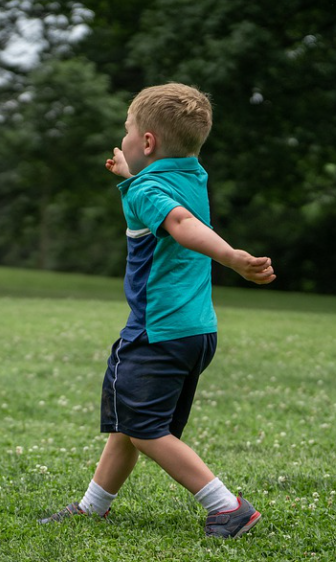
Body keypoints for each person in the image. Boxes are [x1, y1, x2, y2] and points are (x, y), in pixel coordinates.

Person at [39, 83, 276, 538]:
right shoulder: (193, 175)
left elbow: (180, 222)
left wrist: (232, 258)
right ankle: (93, 506)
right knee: (130, 423)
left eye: (128, 129)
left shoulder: (146, 190)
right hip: (196, 331)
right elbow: (163, 192)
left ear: (147, 141)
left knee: (145, 428)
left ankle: (227, 506)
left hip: (157, 330)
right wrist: (131, 175)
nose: (123, 137)